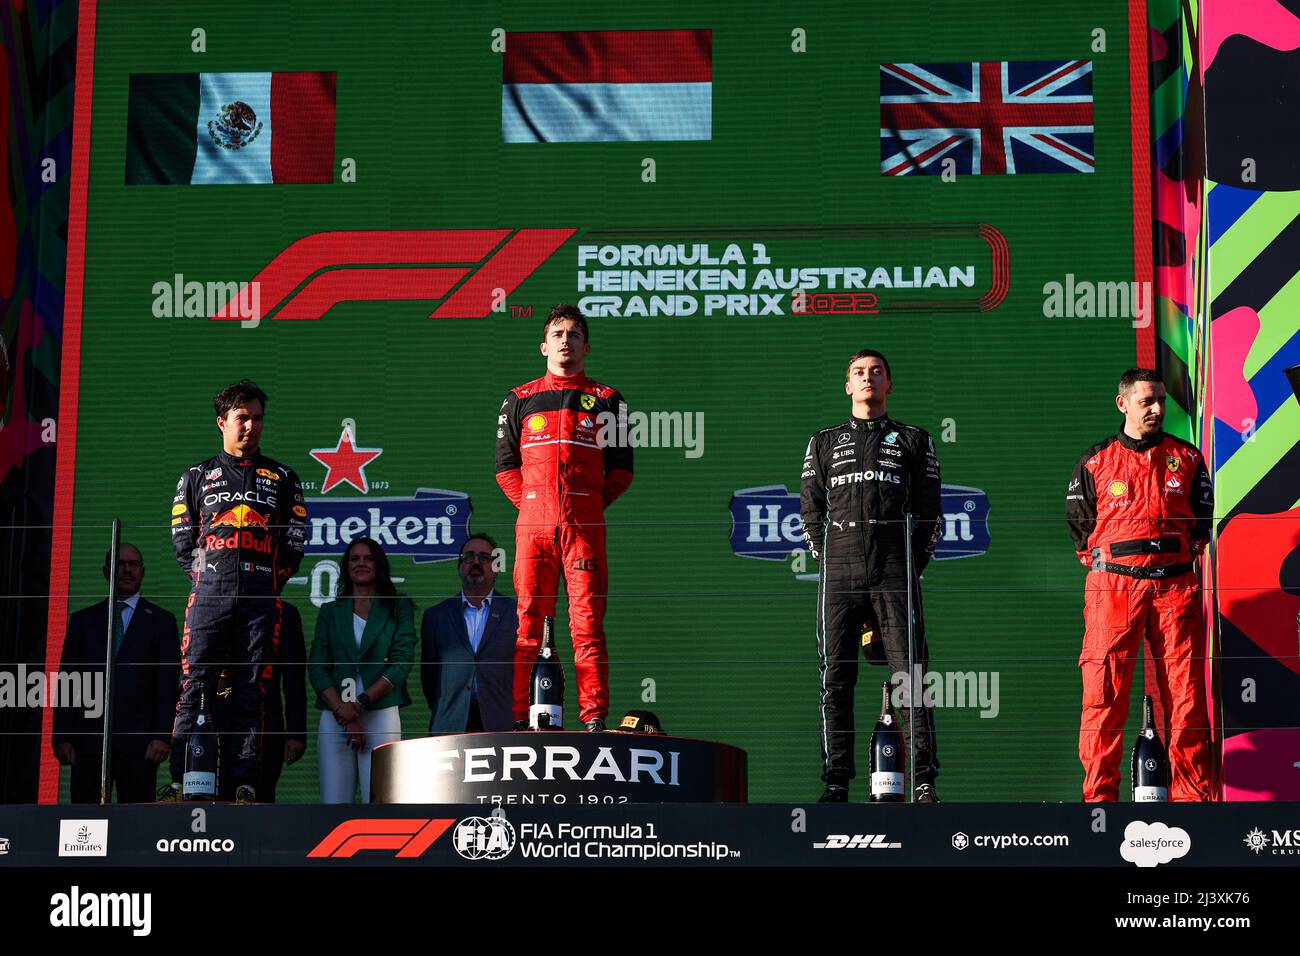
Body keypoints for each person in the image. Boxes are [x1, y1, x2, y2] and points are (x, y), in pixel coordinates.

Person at [799, 349, 942, 803]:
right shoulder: (822, 441)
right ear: (847, 386)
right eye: (859, 373)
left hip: (894, 571)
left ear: (889, 385)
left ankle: (922, 780)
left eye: (877, 372)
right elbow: (809, 511)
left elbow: (930, 514)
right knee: (834, 677)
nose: (868, 379)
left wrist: (908, 564)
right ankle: (836, 780)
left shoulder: (915, 439)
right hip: (839, 571)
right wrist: (829, 558)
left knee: (911, 675)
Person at [1066, 368, 1214, 802]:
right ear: (1123, 403)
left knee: (1185, 695)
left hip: (1175, 588)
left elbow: (1201, 524)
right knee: (1103, 694)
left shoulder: (1186, 458)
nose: (1156, 409)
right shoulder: (1095, 461)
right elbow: (1080, 531)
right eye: (1147, 400)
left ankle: (1194, 802)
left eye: (1161, 401)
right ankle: (1100, 803)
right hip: (1113, 589)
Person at [495, 304, 633, 732]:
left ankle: (592, 718)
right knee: (527, 624)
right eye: (557, 333)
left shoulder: (610, 400)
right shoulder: (517, 399)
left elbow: (622, 471)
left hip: (583, 527)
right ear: (543, 345)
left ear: (586, 346)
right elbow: (505, 470)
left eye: (574, 334)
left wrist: (583, 505)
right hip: (533, 526)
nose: (565, 340)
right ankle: (522, 718)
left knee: (587, 624)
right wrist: (538, 506)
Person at [169, 379, 307, 804]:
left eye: (258, 418)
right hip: (209, 594)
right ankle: (180, 779)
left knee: (253, 685)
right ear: (222, 422)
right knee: (194, 684)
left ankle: (246, 778)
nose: (251, 426)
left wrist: (264, 579)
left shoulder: (283, 476)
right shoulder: (196, 476)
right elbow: (182, 539)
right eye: (242, 418)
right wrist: (212, 577)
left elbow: (296, 540)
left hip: (261, 596)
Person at [53, 544, 180, 803]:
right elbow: (69, 681)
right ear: (106, 571)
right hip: (88, 744)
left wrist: (162, 736)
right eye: (120, 564)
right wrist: (62, 736)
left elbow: (167, 684)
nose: (127, 569)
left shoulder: (162, 621)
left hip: (141, 746)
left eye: (133, 564)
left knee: (136, 827)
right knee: (84, 826)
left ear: (142, 571)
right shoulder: (82, 621)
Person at [308, 537, 414, 803]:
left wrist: (360, 704)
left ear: (378, 565)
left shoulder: (398, 608)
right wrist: (344, 712)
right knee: (333, 801)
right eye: (355, 559)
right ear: (346, 567)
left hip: (381, 712)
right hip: (335, 714)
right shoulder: (330, 611)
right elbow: (318, 666)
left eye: (368, 558)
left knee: (380, 800)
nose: (361, 563)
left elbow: (401, 663)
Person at [421, 533, 518, 734]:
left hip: (501, 724)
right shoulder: (435, 616)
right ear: (459, 567)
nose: (475, 562)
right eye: (468, 557)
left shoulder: (516, 613)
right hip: (450, 724)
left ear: (496, 568)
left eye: (484, 557)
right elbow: (429, 678)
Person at [211, 600, 307, 803]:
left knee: (258, 800)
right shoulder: (210, 606)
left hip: (264, 727)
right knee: (213, 802)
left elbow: (294, 678)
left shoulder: (285, 613)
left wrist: (296, 733)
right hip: (213, 725)